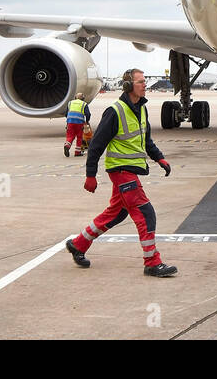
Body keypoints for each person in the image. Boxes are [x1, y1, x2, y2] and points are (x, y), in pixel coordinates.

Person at [65, 68, 177, 277]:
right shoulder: (115, 111)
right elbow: (97, 145)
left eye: (144, 81)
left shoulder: (141, 109)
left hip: (130, 171)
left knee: (117, 213)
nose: (145, 85)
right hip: (121, 171)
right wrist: (90, 175)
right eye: (141, 82)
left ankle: (78, 244)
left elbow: (146, 140)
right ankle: (152, 262)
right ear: (128, 86)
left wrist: (159, 158)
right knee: (145, 213)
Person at [64, 92, 92, 157]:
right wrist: (87, 121)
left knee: (70, 136)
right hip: (79, 122)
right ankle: (77, 152)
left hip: (70, 122)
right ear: (83, 99)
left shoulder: (70, 103)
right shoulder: (84, 104)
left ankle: (67, 145)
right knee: (79, 137)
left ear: (75, 97)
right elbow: (88, 114)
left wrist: (69, 120)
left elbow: (66, 114)